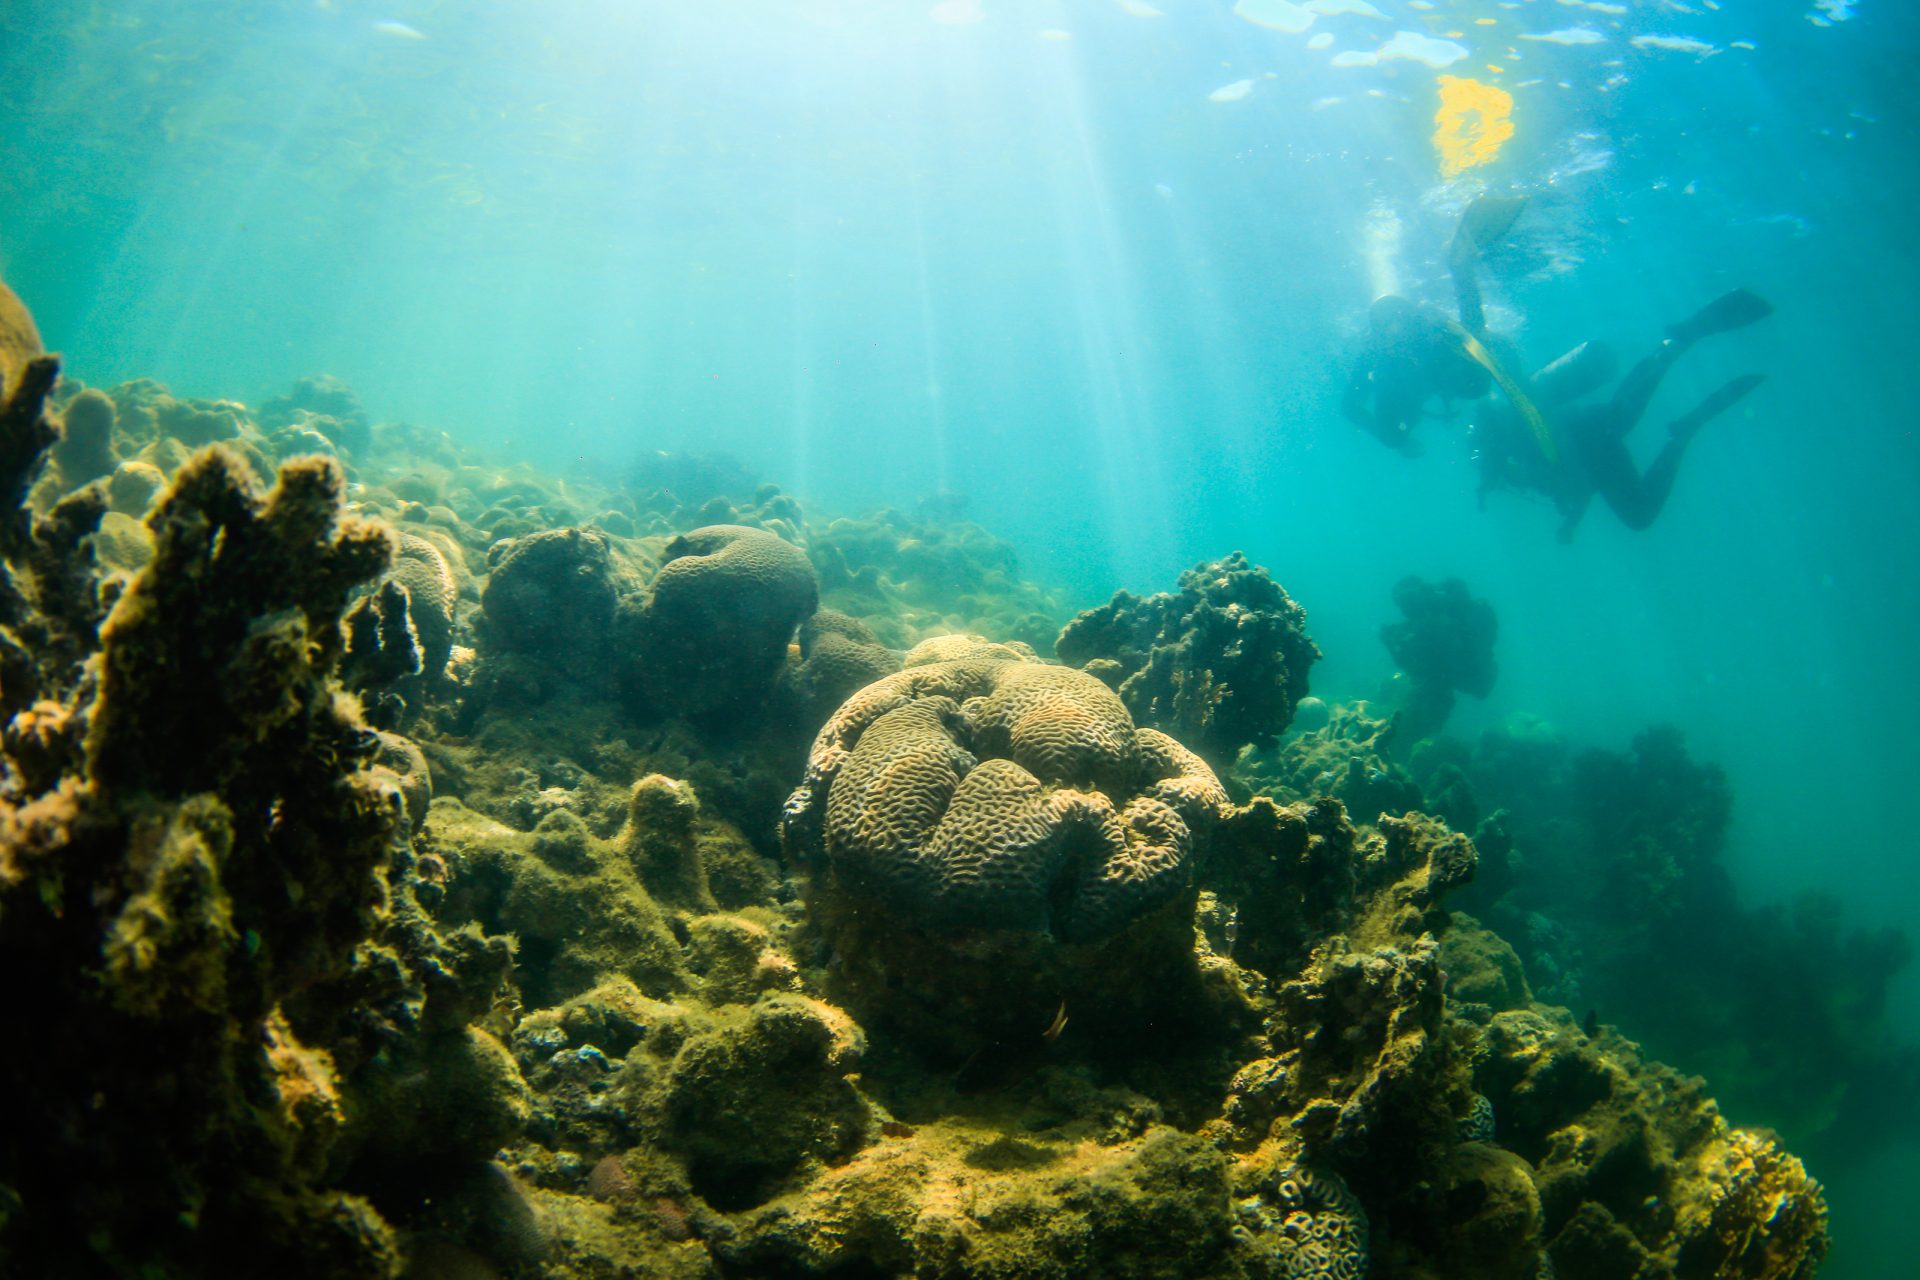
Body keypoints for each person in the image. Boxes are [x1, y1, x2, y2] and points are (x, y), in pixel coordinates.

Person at [1470, 288, 1772, 540]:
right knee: (1625, 434)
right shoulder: (1518, 453)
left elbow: (1562, 466)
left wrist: (1569, 516)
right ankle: (1676, 354)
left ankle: (1676, 354)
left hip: (1591, 436)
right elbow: (1573, 475)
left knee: (1622, 427)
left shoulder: (1516, 449)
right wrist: (1571, 522)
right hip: (1594, 442)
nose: (1493, 481)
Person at [1340, 195, 1526, 456]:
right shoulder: (1377, 349)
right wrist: (1399, 442)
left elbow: (1474, 336)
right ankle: (1461, 267)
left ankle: (1461, 268)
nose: (1394, 330)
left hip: (1437, 380)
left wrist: (1519, 386)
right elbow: (1349, 407)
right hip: (1418, 389)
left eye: (1397, 320)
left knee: (1477, 382)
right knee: (1393, 436)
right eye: (1387, 325)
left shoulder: (1422, 327)